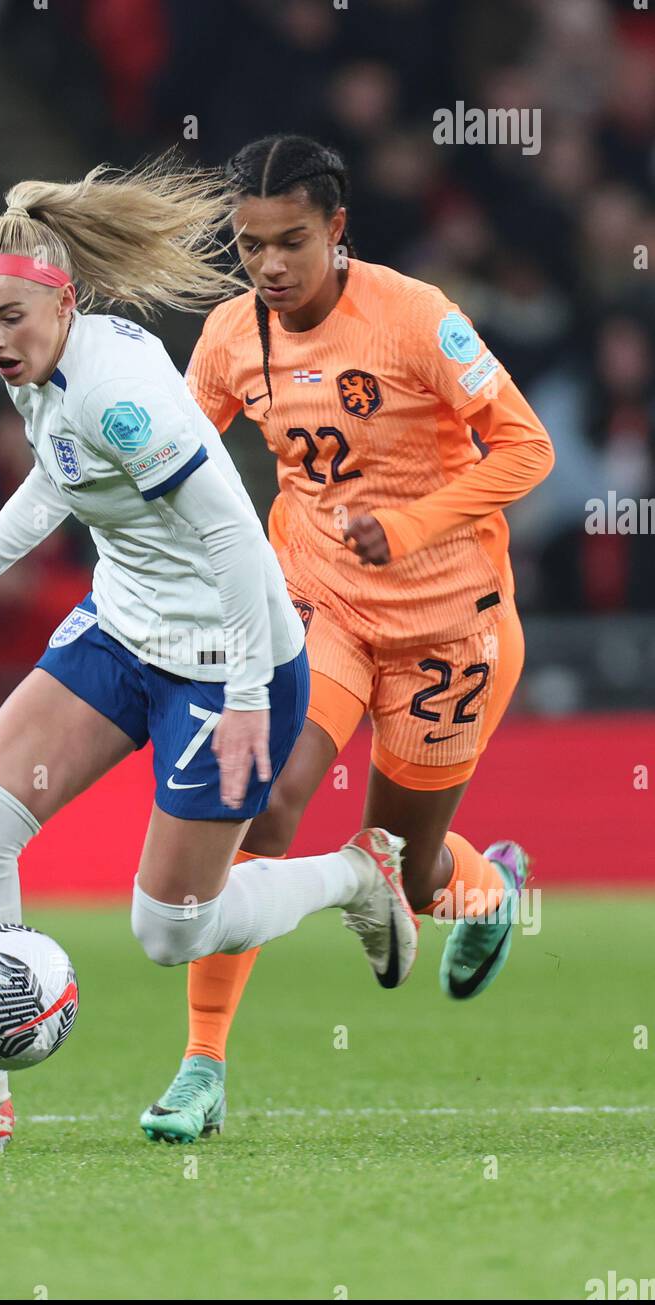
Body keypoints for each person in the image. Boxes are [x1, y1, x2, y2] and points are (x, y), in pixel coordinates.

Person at [0, 158, 418, 1152]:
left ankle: (360, 876)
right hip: (122, 630)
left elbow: (237, 540)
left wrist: (248, 696)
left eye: (7, 319)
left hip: (223, 658)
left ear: (59, 301)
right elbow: (56, 480)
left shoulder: (121, 396)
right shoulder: (54, 369)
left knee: (170, 932)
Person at [140, 135, 555, 1144]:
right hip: (317, 606)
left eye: (290, 243)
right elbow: (176, 460)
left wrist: (410, 527)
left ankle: (486, 887)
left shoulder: (417, 317)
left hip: (452, 627)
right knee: (265, 808)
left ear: (336, 230)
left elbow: (527, 447)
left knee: (409, 876)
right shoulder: (234, 335)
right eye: (249, 247)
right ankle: (202, 1065)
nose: (269, 266)